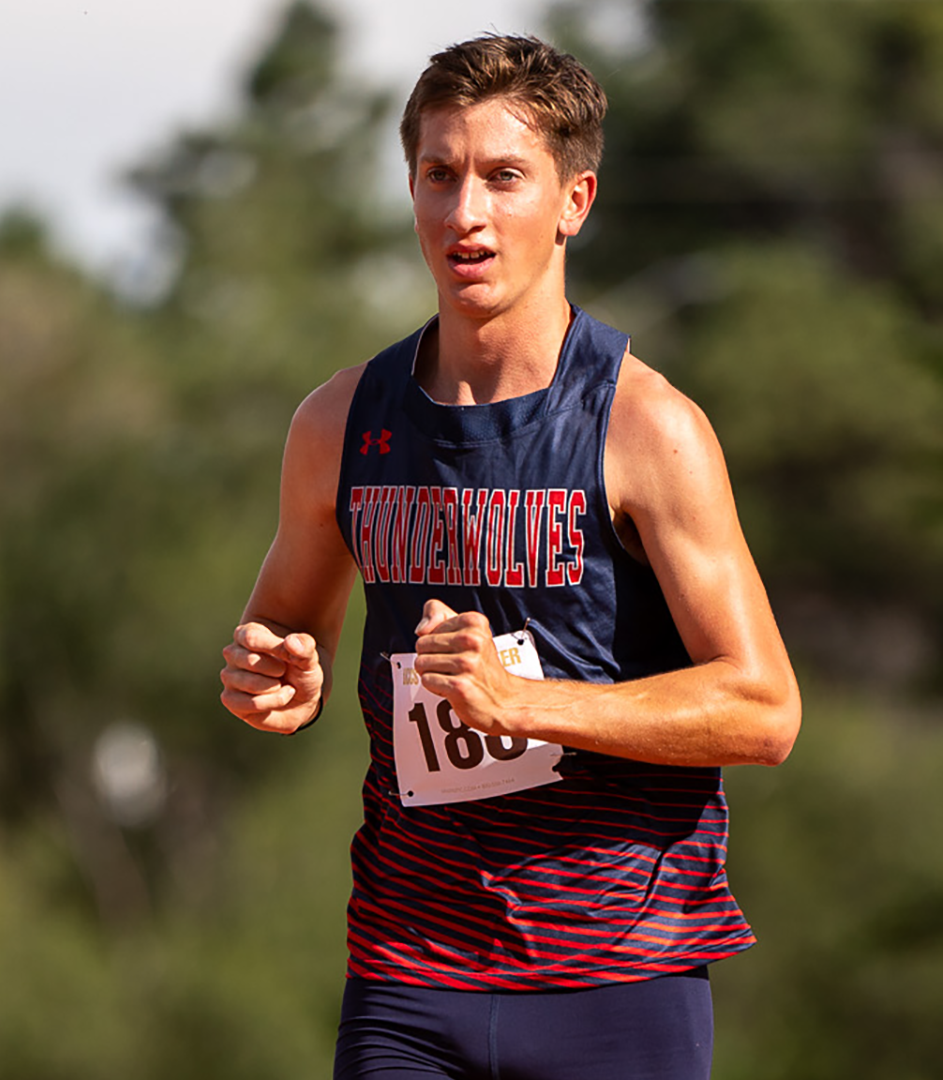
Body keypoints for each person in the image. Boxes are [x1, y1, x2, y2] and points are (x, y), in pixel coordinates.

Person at [218, 33, 800, 1080]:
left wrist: (525, 705)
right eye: (439, 176)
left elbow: (764, 709)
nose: (464, 213)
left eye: (502, 177)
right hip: (408, 974)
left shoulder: (646, 428)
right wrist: (278, 673)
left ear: (574, 200)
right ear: (409, 190)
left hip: (616, 983)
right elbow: (287, 638)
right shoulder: (339, 423)